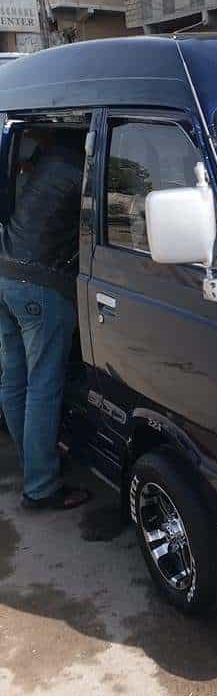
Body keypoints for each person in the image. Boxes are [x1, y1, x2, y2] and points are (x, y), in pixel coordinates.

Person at [0, 125, 91, 510]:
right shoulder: (80, 170)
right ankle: (40, 487)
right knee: (43, 385)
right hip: (40, 286)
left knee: (15, 377)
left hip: (6, 274)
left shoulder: (46, 165)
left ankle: (34, 464)